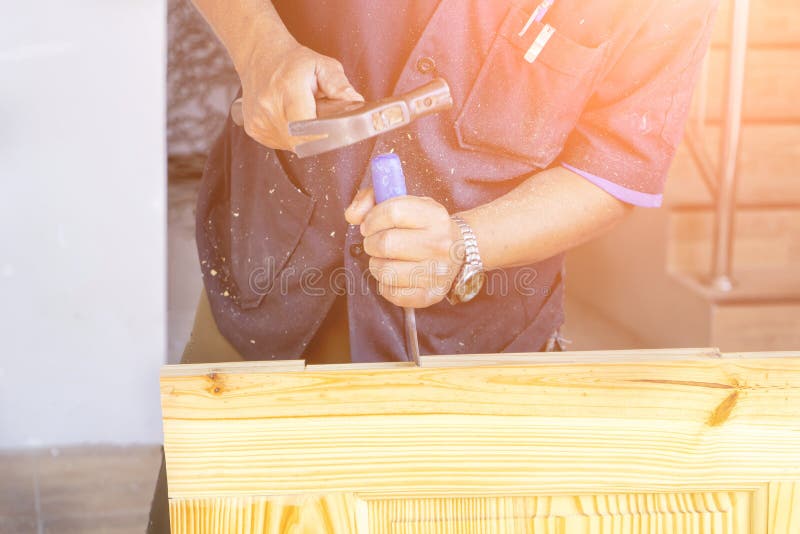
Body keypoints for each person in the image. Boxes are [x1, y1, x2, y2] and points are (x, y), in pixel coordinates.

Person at [148, 0, 719, 530]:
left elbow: (614, 168)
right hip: (267, 279)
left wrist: (465, 245)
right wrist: (259, 46)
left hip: (478, 346)